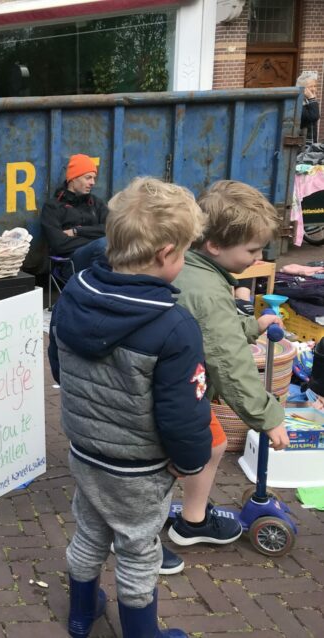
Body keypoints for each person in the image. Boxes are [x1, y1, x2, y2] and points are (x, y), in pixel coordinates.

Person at [48, 177, 210, 638]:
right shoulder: (173, 326)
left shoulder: (72, 295)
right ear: (165, 254)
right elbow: (183, 413)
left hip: (85, 451)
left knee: (89, 530)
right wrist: (190, 461)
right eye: (184, 254)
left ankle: (81, 614)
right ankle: (142, 633)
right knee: (139, 549)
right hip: (138, 468)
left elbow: (59, 366)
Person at [170, 180, 289, 548]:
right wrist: (267, 416)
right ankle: (191, 522)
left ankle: (186, 512)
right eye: (252, 249)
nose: (258, 257)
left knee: (208, 445)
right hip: (179, 388)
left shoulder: (197, 271)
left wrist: (252, 326)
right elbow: (226, 358)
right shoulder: (206, 289)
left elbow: (211, 328)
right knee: (208, 445)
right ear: (215, 245)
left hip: (176, 382)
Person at [39, 154, 108, 279]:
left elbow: (110, 229)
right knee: (104, 244)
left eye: (94, 178)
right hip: (68, 265)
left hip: (99, 261)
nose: (92, 183)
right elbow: (59, 244)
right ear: (73, 179)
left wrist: (77, 231)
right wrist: (96, 239)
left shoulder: (96, 203)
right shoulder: (53, 207)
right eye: (88, 178)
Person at [298, 71, 319, 144]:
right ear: (303, 89)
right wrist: (311, 98)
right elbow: (314, 116)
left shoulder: (308, 101)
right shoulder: (299, 103)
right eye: (310, 86)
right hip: (301, 145)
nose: (314, 89)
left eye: (315, 86)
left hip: (309, 143)